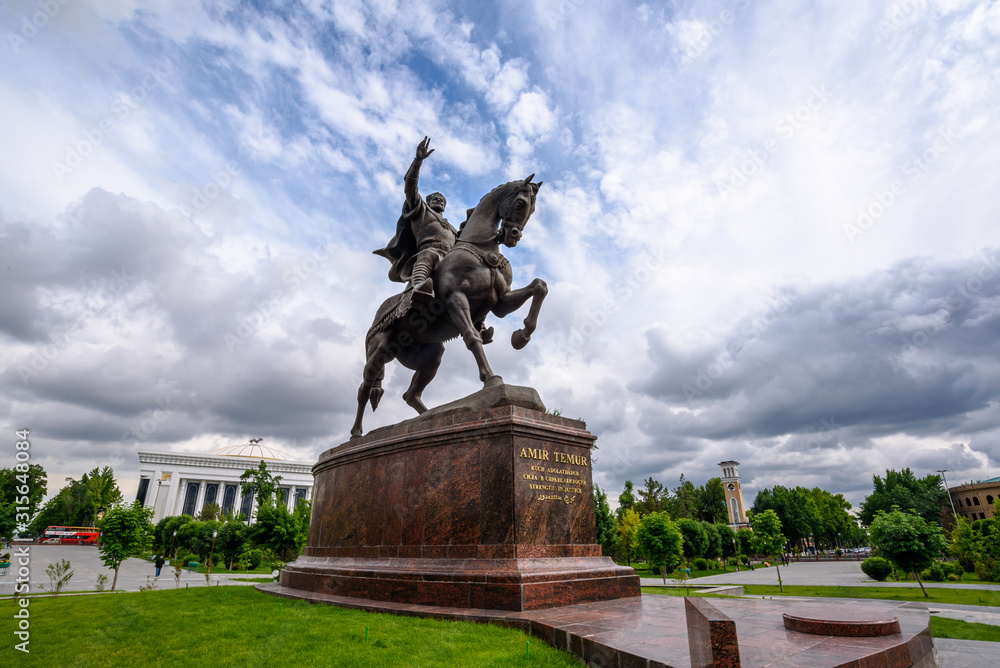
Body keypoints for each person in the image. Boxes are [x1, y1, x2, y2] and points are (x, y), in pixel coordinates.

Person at [374, 136, 459, 305]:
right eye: (434, 198)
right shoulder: (421, 210)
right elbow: (410, 187)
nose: (439, 200)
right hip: (428, 254)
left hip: (450, 260)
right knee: (428, 254)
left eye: (442, 199)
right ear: (428, 202)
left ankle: (478, 322)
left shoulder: (452, 228)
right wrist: (418, 161)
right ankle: (419, 287)